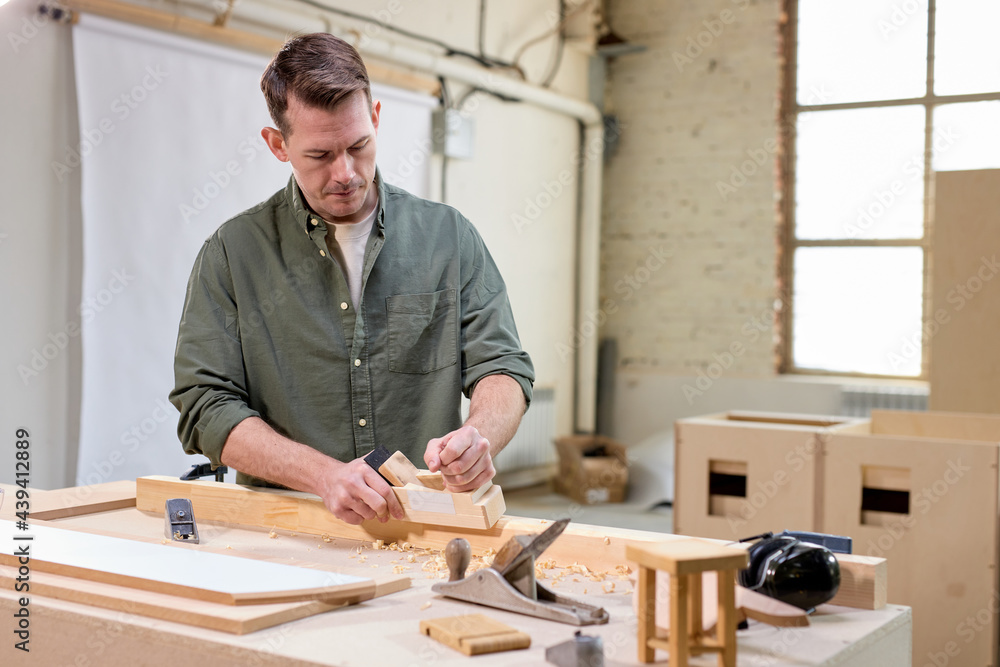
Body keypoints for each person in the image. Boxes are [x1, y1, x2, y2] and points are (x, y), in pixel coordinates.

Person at [170, 33, 534, 526]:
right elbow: (204, 404)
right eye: (320, 155)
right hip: (286, 532)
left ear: (376, 118)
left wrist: (479, 436)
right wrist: (322, 475)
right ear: (278, 144)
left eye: (359, 145)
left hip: (426, 532)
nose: (345, 173)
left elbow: (502, 366)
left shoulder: (449, 237)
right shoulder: (233, 254)